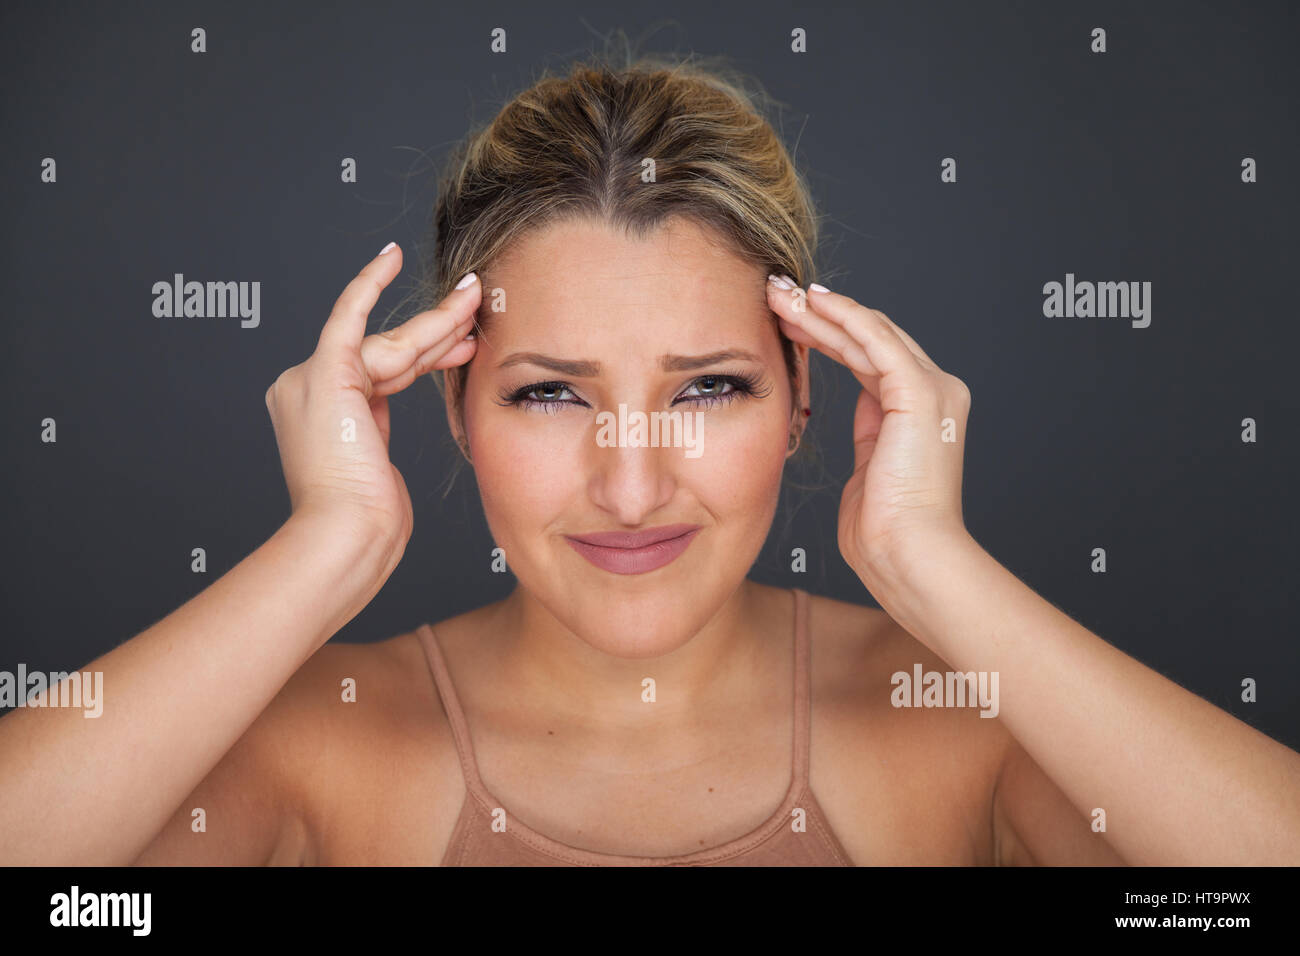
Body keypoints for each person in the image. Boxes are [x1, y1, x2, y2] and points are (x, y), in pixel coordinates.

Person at [3, 55, 1298, 867]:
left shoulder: (967, 731)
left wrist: (933, 566)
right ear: (452, 408)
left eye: (713, 389)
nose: (630, 487)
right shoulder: (316, 747)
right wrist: (322, 547)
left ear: (805, 401)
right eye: (551, 394)